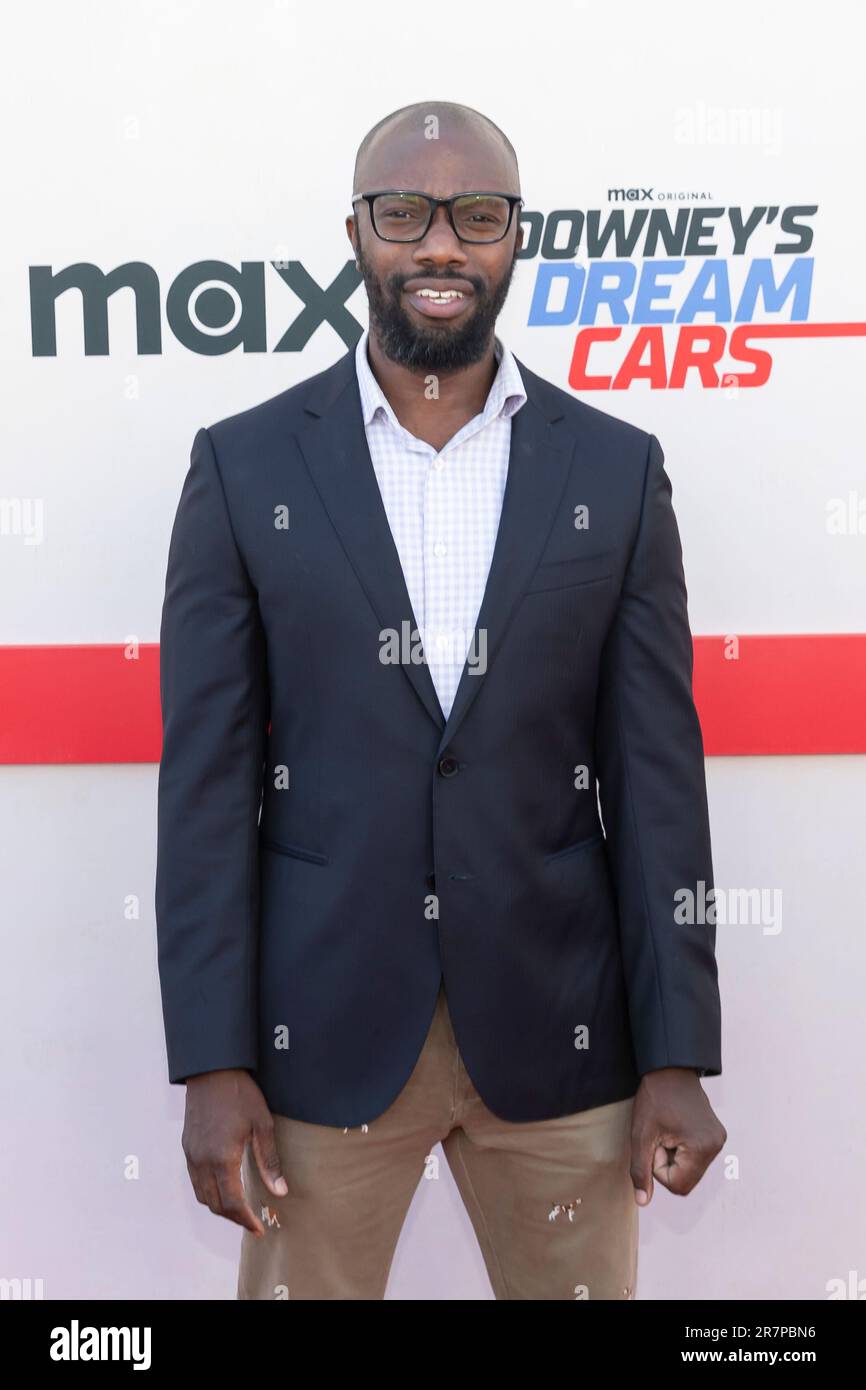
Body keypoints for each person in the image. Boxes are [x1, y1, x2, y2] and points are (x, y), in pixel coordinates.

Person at [155, 100, 726, 1301]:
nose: (438, 247)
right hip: (317, 1039)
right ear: (356, 232)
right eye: (403, 213)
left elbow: (655, 780)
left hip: (561, 1034)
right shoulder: (244, 464)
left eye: (474, 216)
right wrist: (210, 1059)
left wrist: (675, 1049)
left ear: (517, 235)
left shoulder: (613, 471)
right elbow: (204, 788)